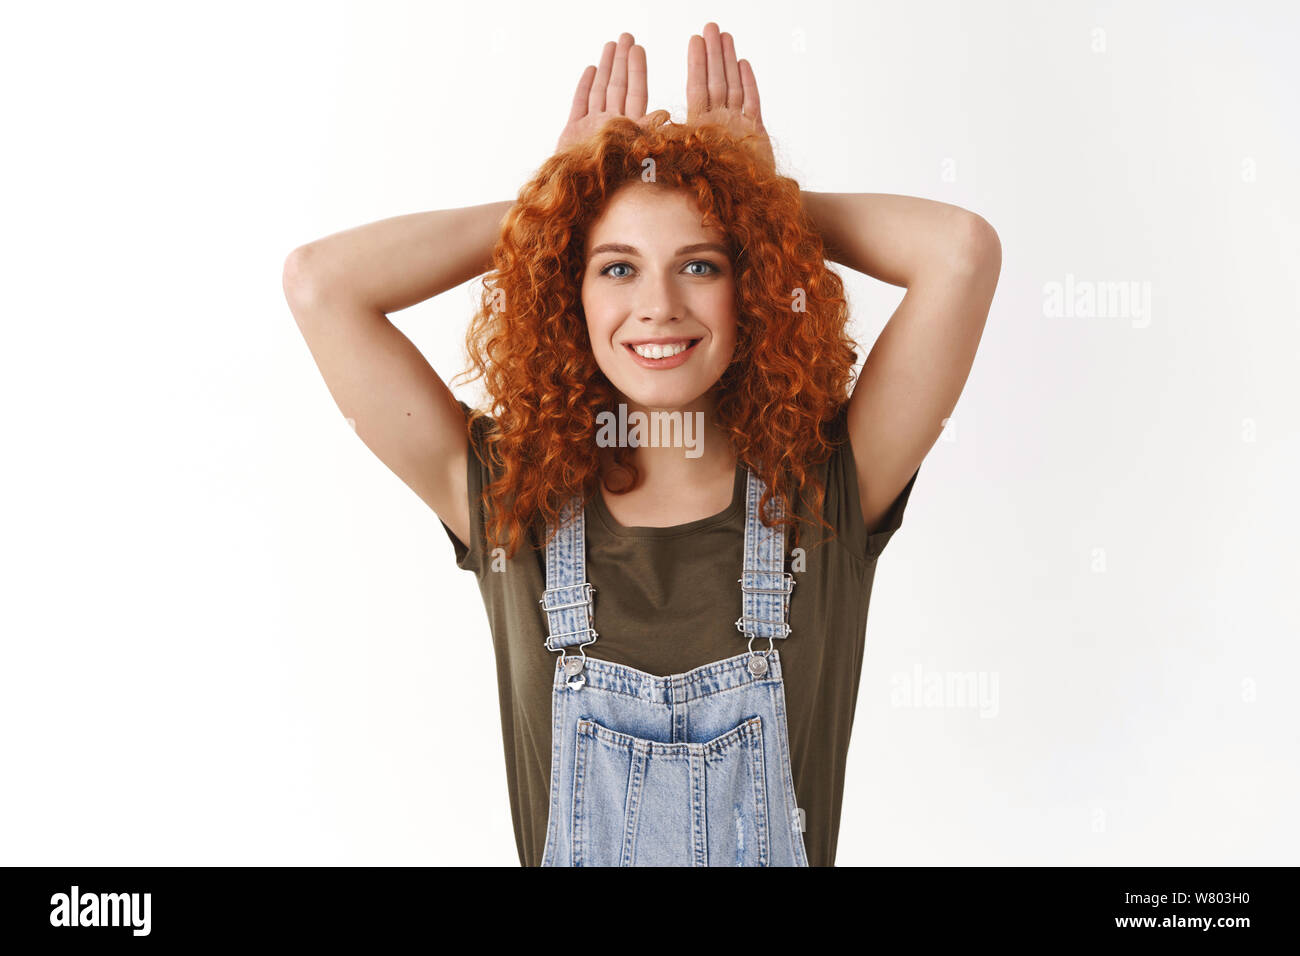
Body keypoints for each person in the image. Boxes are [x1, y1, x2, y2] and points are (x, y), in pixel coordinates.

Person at [282, 23, 1001, 866]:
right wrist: (556, 200)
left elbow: (961, 253)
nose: (657, 304)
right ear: (567, 290)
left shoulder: (829, 490)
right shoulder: (511, 502)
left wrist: (755, 197)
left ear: (755, 284)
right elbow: (320, 285)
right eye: (617, 267)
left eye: (700, 264)